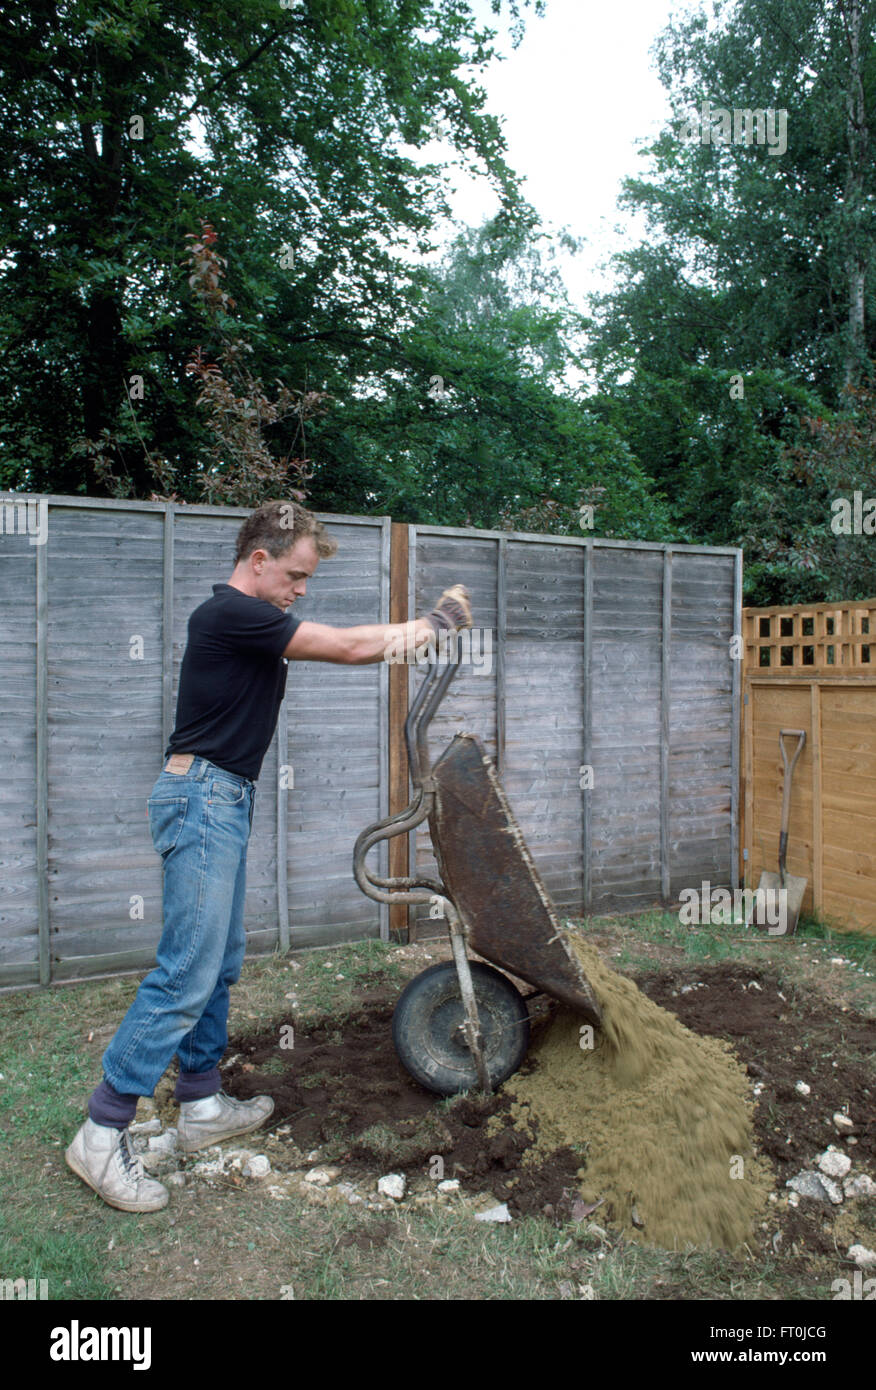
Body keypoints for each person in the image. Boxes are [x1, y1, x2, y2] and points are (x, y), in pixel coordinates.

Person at [65, 499, 473, 1212]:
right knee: (186, 971)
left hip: (220, 798)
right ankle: (101, 1132)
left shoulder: (245, 621)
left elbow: (340, 640)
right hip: (202, 800)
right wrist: (433, 625)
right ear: (258, 561)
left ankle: (198, 1105)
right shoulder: (228, 613)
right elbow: (347, 647)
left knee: (217, 961)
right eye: (294, 574)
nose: (301, 588)